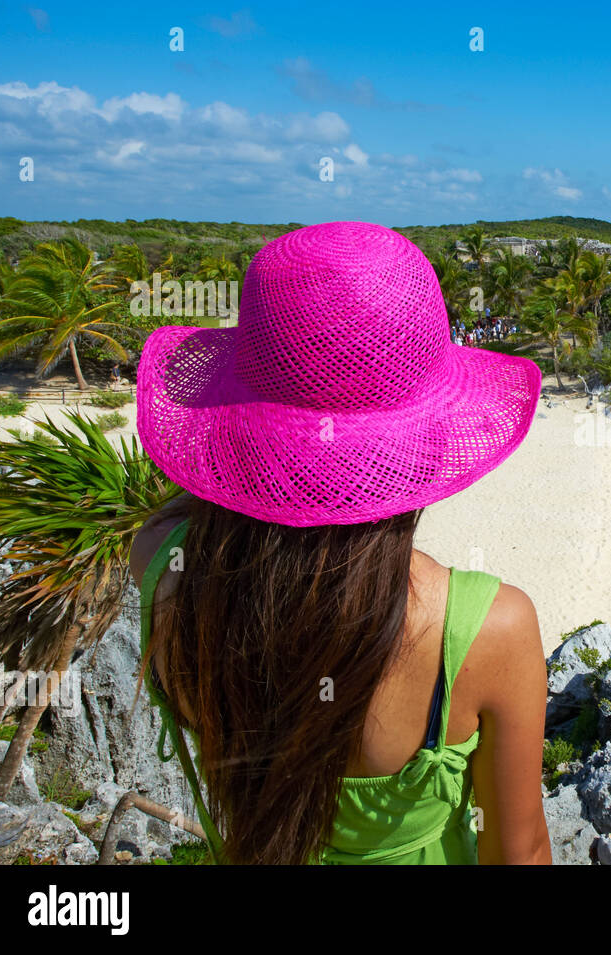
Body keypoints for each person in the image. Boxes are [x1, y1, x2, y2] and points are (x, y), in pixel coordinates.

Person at [129, 221, 550, 865]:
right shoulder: (488, 629)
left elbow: (194, 498)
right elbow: (517, 852)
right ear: (428, 444)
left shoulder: (162, 563)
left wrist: (266, 458)